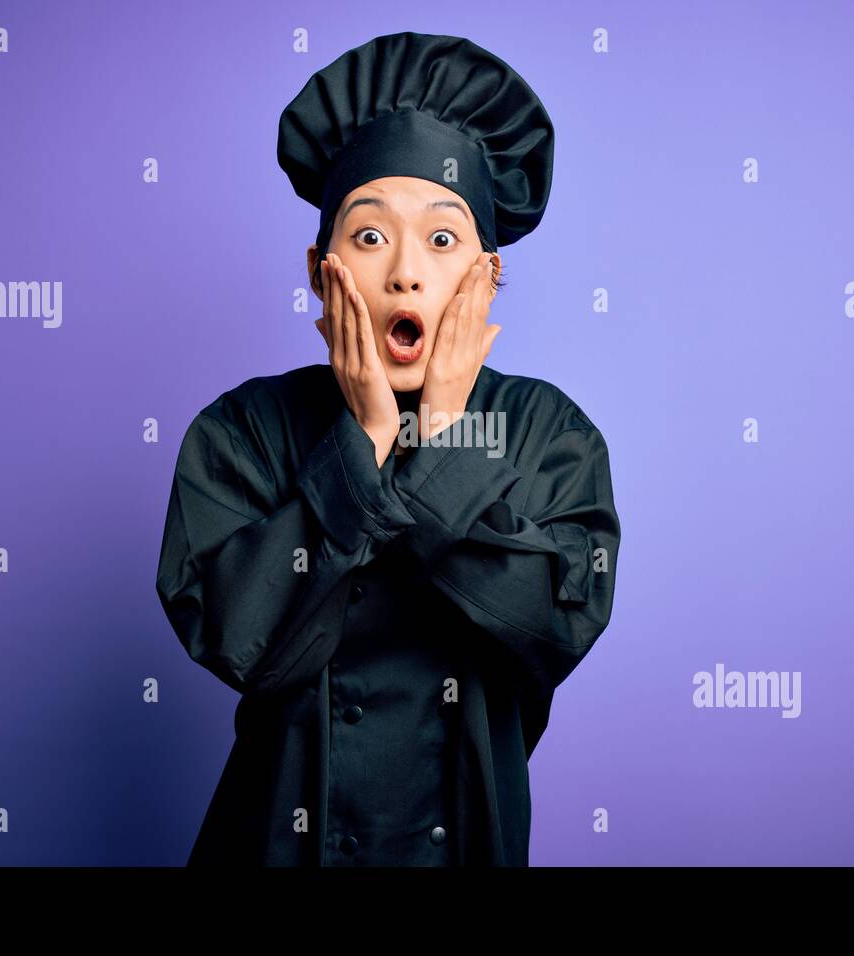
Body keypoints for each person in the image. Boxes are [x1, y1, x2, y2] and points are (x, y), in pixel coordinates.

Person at [155, 31, 620, 866]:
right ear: (319, 269)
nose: (405, 272)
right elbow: (238, 644)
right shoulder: (243, 429)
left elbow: (551, 632)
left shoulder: (550, 433)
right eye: (370, 237)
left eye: (442, 240)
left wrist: (442, 437)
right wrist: (364, 442)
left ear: (487, 275)